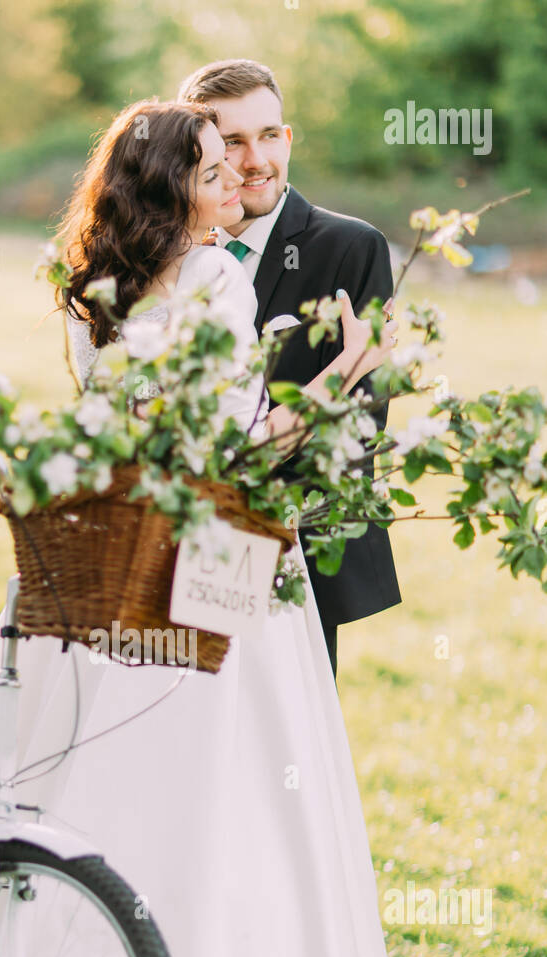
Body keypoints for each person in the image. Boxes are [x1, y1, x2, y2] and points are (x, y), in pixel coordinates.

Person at [0, 100, 411, 957]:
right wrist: (345, 373)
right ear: (177, 191)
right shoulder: (214, 280)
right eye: (210, 169)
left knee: (88, 776)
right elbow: (239, 442)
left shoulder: (87, 290)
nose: (233, 180)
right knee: (231, 807)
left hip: (115, 561)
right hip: (212, 564)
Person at [177, 60, 402, 679]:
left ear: (289, 138)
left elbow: (358, 420)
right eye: (232, 142)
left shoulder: (350, 248)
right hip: (174, 541)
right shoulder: (167, 256)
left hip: (294, 547)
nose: (256, 161)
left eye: (270, 135)